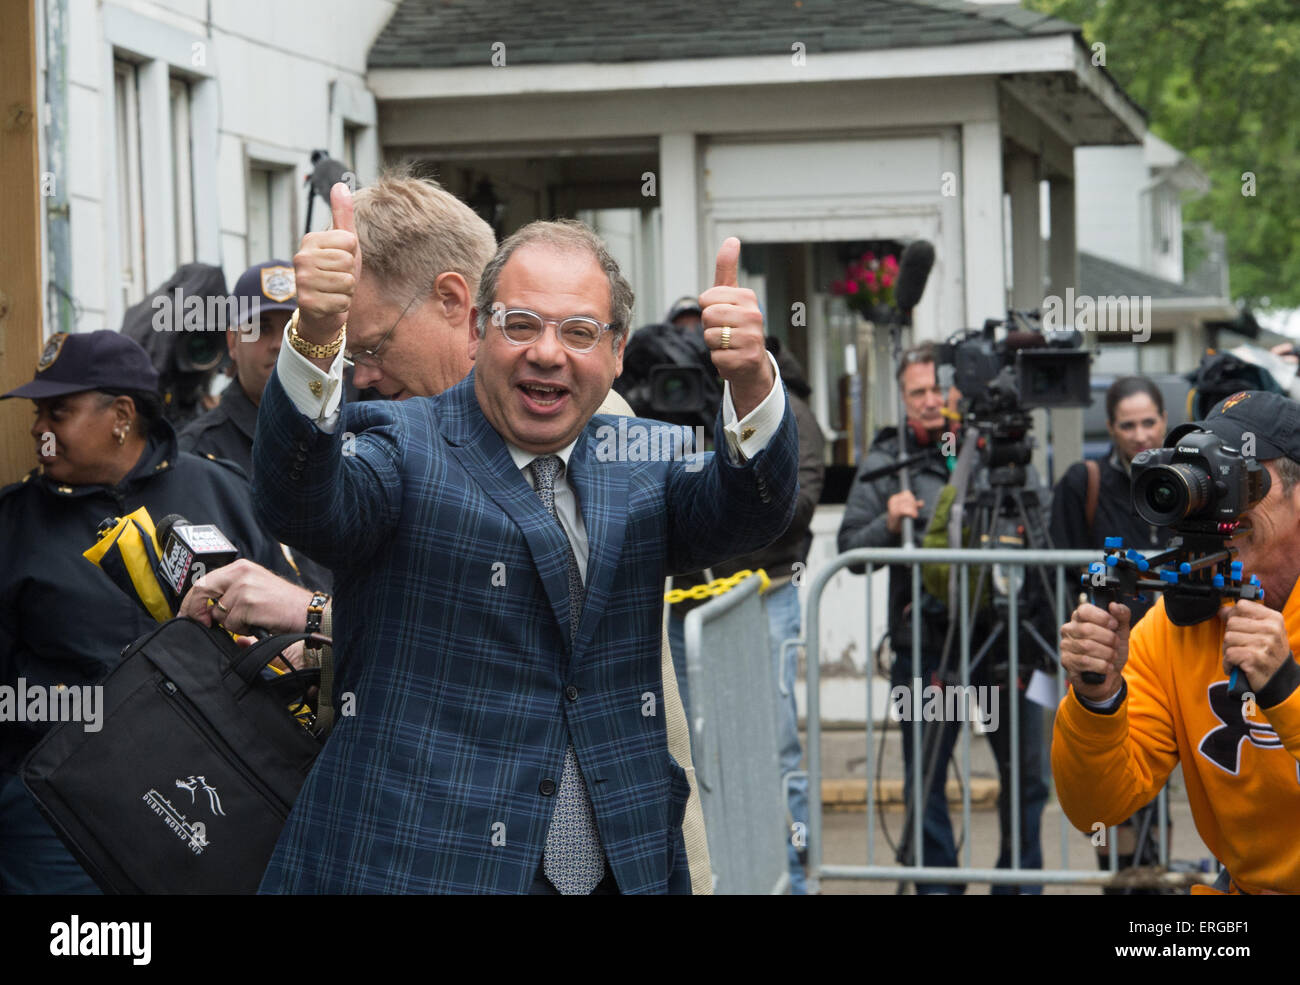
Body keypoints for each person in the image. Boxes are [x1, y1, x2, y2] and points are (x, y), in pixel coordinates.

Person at [250, 182, 797, 894]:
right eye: (521, 325)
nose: (548, 353)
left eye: (578, 332)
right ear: (477, 329)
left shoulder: (647, 459)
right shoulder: (398, 443)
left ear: (618, 351)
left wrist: (752, 381)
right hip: (424, 867)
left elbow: (752, 510)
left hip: (623, 870)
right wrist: (318, 336)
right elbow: (301, 504)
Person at [0, 330, 294, 894]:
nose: (39, 428)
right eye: (37, 413)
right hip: (58, 807)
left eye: (57, 411)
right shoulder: (15, 524)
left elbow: (287, 639)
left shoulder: (222, 491)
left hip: (207, 798)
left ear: (122, 415)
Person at [1056, 390, 1300, 895]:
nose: (1220, 505)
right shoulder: (1175, 627)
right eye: (1211, 482)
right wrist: (1095, 700)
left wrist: (1285, 692)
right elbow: (1095, 808)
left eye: (1244, 481)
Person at [837, 342, 1048, 893]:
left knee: (1026, 776)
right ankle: (938, 887)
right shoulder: (890, 457)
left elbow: (1042, 529)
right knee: (925, 777)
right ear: (903, 400)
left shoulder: (1001, 451)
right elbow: (848, 547)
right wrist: (887, 521)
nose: (931, 402)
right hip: (927, 644)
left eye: (938, 389)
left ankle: (1018, 884)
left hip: (1006, 641)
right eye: (918, 393)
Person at [665, 337, 824, 892]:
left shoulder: (789, 410)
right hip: (685, 607)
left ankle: (794, 876)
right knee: (690, 743)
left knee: (773, 743)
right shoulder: (673, 407)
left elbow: (798, 504)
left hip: (763, 596)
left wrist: (728, 528)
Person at [1049, 375, 1174, 886]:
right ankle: (1123, 881)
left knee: (1157, 783)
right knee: (1113, 787)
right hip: (1110, 660)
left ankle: (1154, 878)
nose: (1141, 434)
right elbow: (1057, 573)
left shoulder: (1187, 480)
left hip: (1170, 652)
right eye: (1128, 425)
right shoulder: (1085, 481)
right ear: (1110, 427)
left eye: (1149, 422)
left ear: (1164, 421)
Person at [179, 260, 299, 476]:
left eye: (294, 328)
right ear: (232, 341)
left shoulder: (343, 431)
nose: (280, 344)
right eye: (261, 328)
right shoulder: (198, 454)